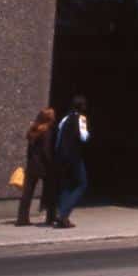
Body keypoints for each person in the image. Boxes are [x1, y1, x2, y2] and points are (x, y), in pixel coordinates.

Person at [52, 95, 90, 229]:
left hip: (61, 156)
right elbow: (84, 137)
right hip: (74, 156)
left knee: (66, 185)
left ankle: (62, 216)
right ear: (82, 106)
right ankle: (63, 213)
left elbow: (58, 137)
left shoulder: (64, 118)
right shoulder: (81, 118)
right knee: (82, 183)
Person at [15, 107, 56, 226]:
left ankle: (22, 218)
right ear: (49, 118)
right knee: (50, 191)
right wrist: (51, 163)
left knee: (27, 192)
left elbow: (30, 150)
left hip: (32, 164)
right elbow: (46, 150)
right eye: (53, 116)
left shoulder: (33, 130)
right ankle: (50, 217)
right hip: (43, 166)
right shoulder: (47, 132)